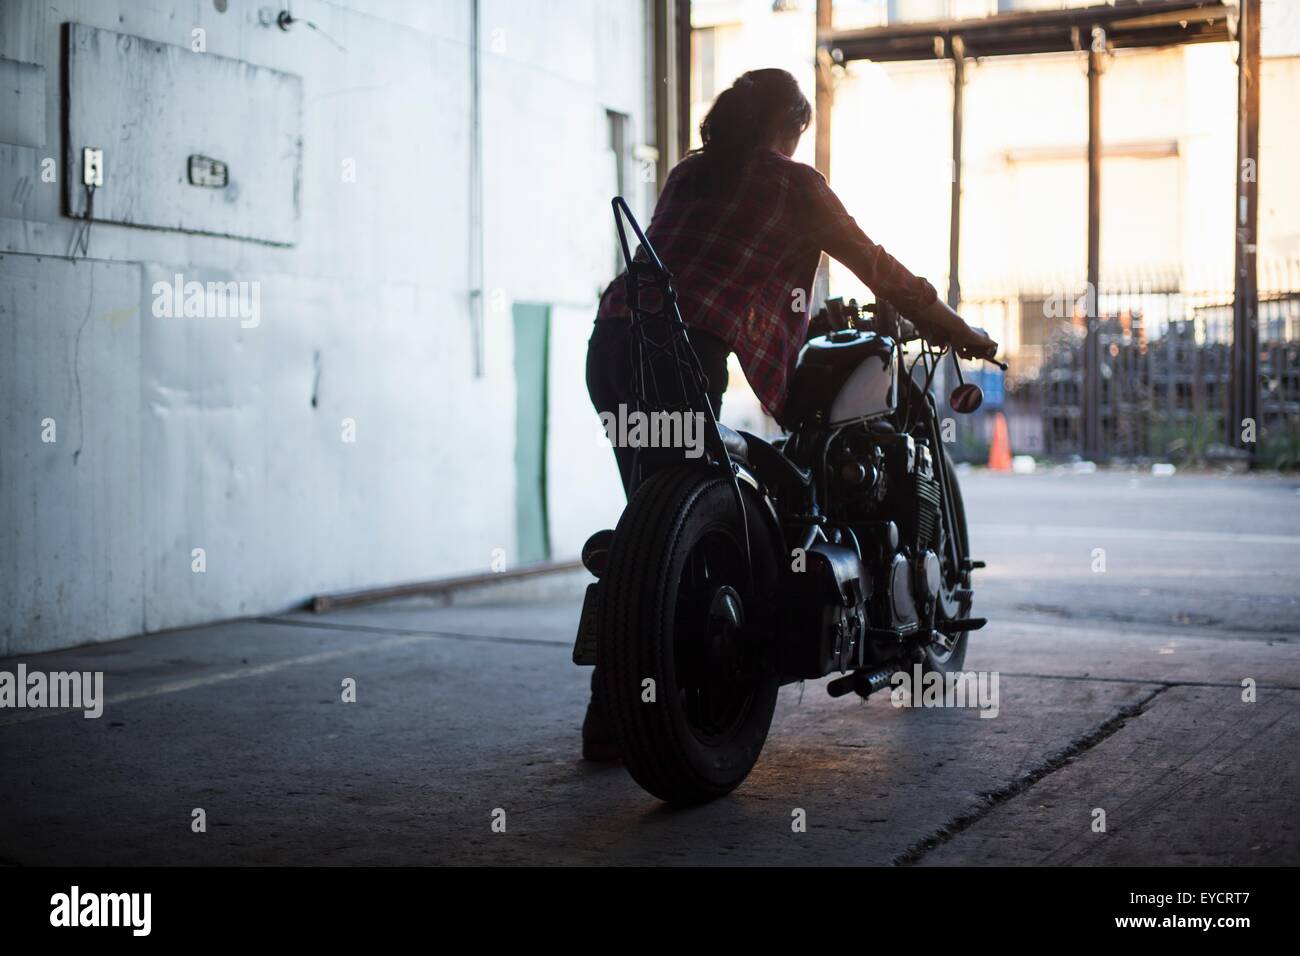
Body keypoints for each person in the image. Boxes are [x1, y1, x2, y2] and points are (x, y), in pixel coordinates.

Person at [581, 68, 997, 761]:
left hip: (615, 345)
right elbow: (879, 267)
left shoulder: (691, 175)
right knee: (680, 534)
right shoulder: (793, 182)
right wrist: (957, 328)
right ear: (790, 125)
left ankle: (611, 720)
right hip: (683, 357)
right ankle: (659, 710)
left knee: (654, 529)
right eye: (797, 132)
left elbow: (695, 264)